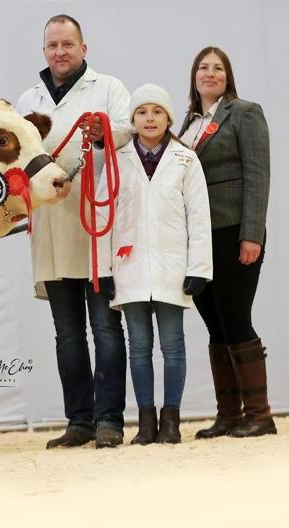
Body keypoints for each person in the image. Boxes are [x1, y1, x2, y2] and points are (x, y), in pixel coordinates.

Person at [16, 14, 132, 449]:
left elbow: (129, 131)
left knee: (106, 328)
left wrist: (103, 134)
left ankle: (110, 420)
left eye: (68, 44)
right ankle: (79, 420)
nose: (60, 52)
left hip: (96, 222)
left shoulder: (109, 88)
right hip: (50, 225)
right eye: (53, 45)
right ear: (44, 50)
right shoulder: (28, 99)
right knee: (67, 333)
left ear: (84, 48)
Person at [95, 84, 212, 445]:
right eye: (142, 112)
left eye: (157, 112)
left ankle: (171, 421)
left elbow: (199, 217)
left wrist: (199, 268)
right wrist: (103, 269)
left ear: (168, 118)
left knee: (173, 345)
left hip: (172, 268)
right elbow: (102, 216)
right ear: (133, 119)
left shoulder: (185, 159)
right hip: (128, 267)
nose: (149, 118)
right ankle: (146, 422)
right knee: (139, 347)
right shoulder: (117, 160)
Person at [177, 47, 276, 438]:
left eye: (218, 68)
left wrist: (251, 234)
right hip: (198, 238)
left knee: (235, 318)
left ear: (228, 76)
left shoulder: (244, 113)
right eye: (203, 67)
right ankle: (229, 415)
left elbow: (258, 175)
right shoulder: (188, 123)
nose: (210, 73)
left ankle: (260, 415)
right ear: (194, 76)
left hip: (234, 231)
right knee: (215, 324)